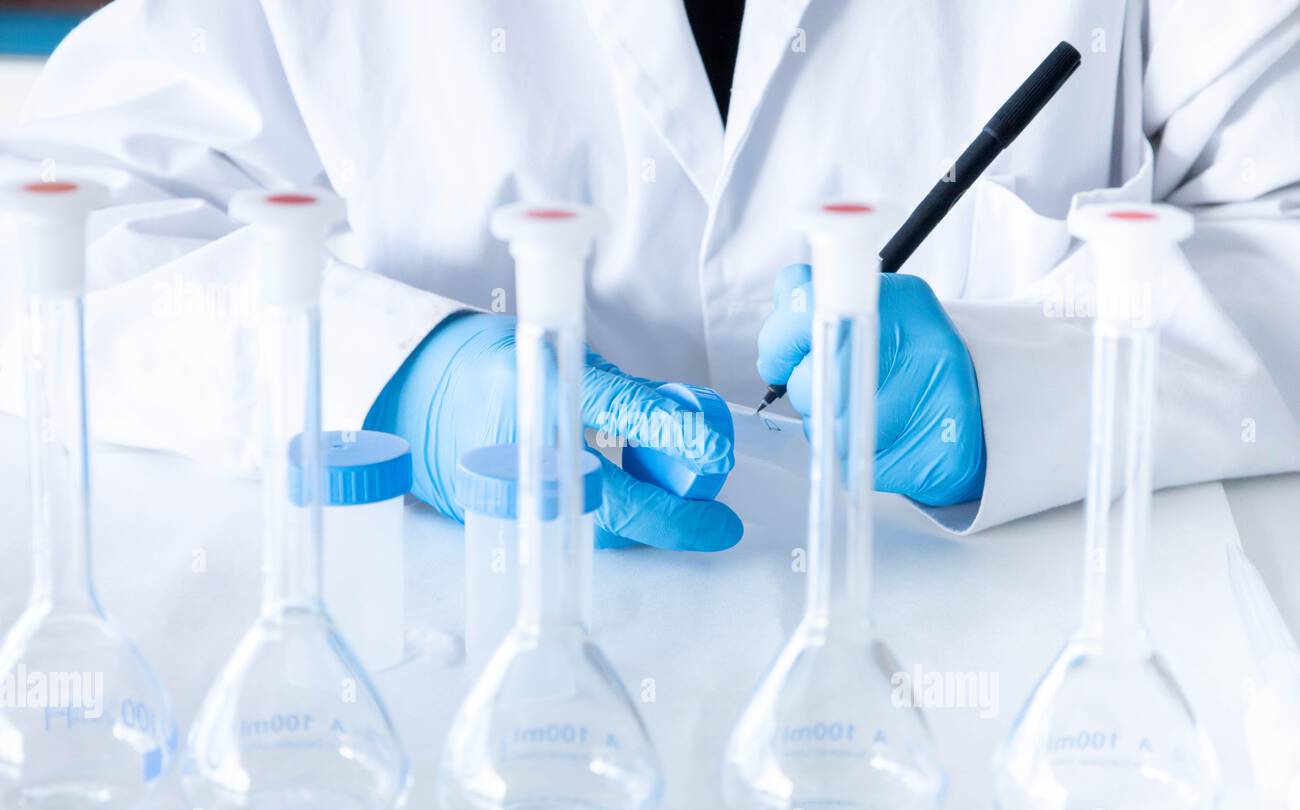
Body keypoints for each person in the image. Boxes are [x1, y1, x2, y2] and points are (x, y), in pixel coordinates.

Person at [2, 0, 1298, 549]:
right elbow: (50, 222)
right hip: (470, 693)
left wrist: (1017, 390)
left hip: (998, 707)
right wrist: (400, 383)